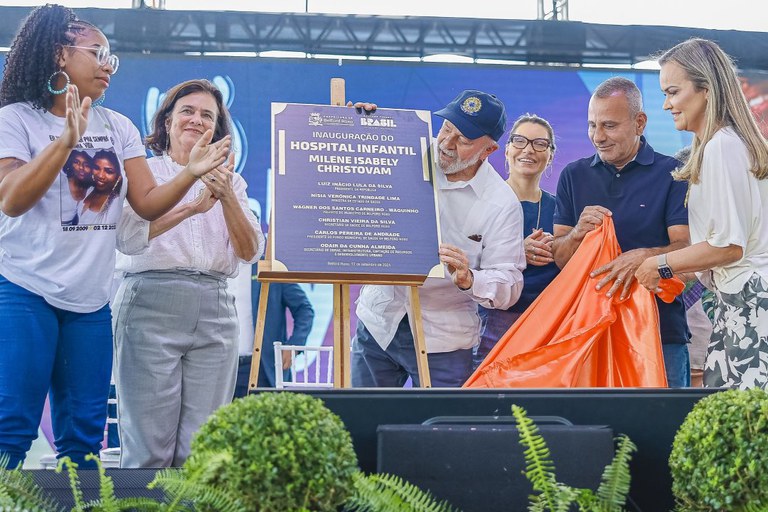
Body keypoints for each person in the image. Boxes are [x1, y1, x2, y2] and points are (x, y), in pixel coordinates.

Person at [0, 5, 229, 469]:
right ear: (60, 54)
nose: (107, 65)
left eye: (112, 57)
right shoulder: (15, 120)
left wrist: (190, 174)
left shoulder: (117, 126)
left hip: (89, 304)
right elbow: (11, 200)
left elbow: (145, 204)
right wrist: (65, 141)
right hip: (25, 290)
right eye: (97, 52)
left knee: (84, 439)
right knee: (11, 428)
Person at [112, 79, 263, 468]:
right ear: (166, 121)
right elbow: (129, 238)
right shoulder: (143, 173)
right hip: (150, 302)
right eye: (188, 111)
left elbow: (249, 252)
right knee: (148, 446)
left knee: (204, 449)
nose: (197, 120)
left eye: (207, 115)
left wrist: (227, 195)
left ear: (218, 130)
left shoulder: (236, 182)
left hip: (215, 305)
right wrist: (193, 205)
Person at [352, 90, 526, 388]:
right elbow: (351, 163)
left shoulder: (502, 203)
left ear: (489, 150)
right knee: (360, 426)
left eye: (464, 141)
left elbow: (510, 283)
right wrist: (359, 127)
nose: (446, 144)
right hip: (379, 321)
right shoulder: (406, 152)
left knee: (442, 430)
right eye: (447, 128)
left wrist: (469, 278)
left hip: (444, 340)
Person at [635, 38, 768, 390]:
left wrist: (658, 264)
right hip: (740, 303)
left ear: (705, 89)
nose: (666, 104)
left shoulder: (722, 146)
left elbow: (729, 247)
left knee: (745, 433)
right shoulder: (728, 143)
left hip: (749, 306)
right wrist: (682, 270)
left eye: (673, 92)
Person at [551, 76, 691, 387]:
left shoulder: (674, 176)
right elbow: (560, 261)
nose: (597, 136)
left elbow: (687, 249)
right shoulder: (572, 176)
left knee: (665, 431)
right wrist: (576, 234)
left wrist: (644, 257)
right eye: (592, 125)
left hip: (659, 333)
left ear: (640, 122)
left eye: (609, 126)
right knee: (592, 433)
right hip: (588, 332)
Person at [476, 114, 561, 369]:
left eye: (540, 144)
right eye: (520, 141)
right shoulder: (481, 202)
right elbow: (462, 261)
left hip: (548, 326)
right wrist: (516, 251)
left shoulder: (561, 209)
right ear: (507, 150)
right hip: (494, 322)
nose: (529, 150)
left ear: (551, 155)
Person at [233, 268, 315, 395]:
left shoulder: (271, 267)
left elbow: (304, 310)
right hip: (220, 366)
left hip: (262, 367)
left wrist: (294, 345)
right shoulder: (215, 266)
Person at [79, 149, 122, 225]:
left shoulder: (116, 203)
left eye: (108, 171)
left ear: (119, 177)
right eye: (96, 168)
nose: (100, 175)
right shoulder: (88, 190)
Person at [61, 149, 93, 225]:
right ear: (70, 164)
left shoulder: (92, 189)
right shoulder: (60, 183)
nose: (81, 167)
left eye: (86, 165)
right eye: (76, 162)